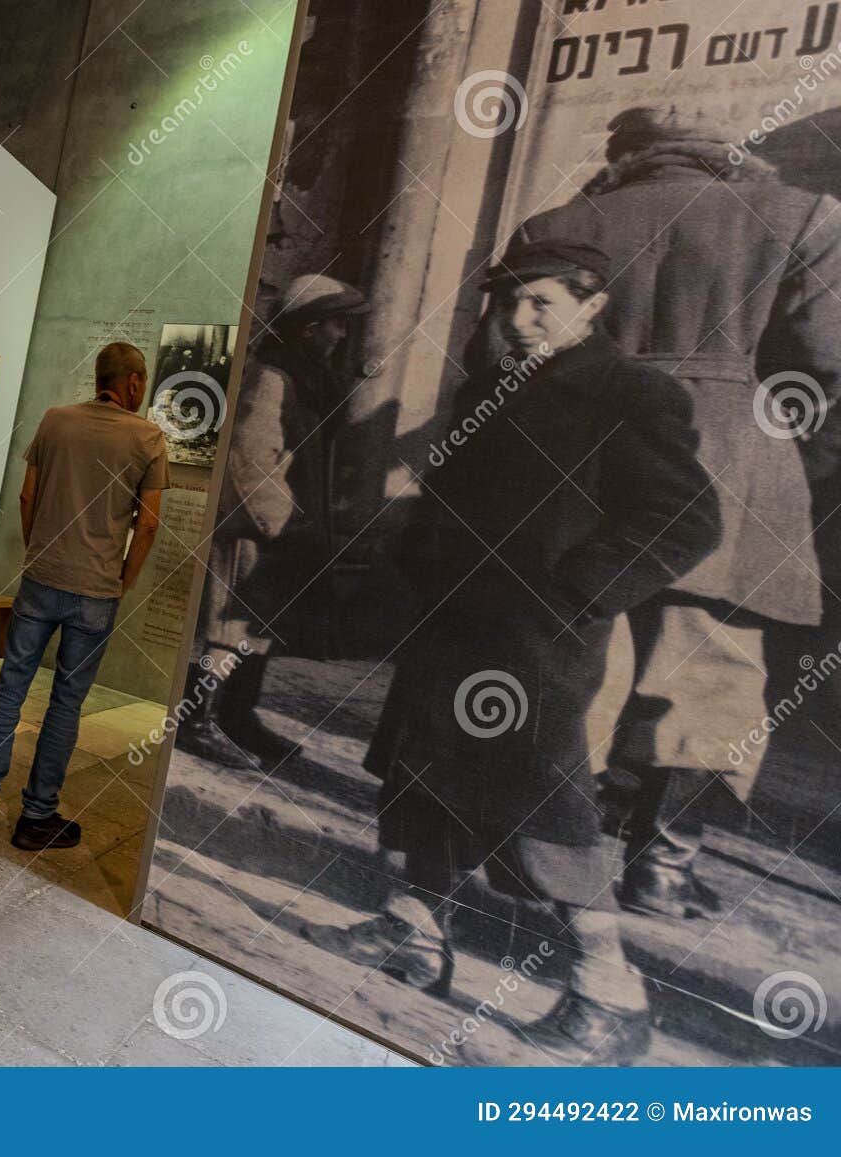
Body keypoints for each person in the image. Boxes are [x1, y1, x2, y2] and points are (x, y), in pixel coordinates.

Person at [325, 239, 722, 1064]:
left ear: (592, 301)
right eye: (509, 304)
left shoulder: (630, 391)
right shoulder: (498, 386)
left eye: (540, 302)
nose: (519, 318)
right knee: (422, 770)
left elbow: (685, 521)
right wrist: (414, 565)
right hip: (455, 619)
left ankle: (609, 992)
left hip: (536, 634)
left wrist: (576, 590)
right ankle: (411, 932)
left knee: (542, 798)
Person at [513, 105, 841, 919]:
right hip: (734, 466)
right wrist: (784, 447)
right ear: (726, 153)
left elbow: (503, 356)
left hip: (581, 467)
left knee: (581, 662)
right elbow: (827, 362)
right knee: (713, 675)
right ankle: (663, 869)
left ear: (626, 154)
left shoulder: (555, 224)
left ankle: (553, 861)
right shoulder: (807, 215)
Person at [0, 342, 168, 850]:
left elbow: (27, 495)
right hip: (96, 591)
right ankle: (36, 818)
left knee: (10, 688)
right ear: (133, 383)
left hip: (42, 579)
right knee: (66, 704)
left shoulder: (55, 421)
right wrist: (121, 582)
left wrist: (38, 552)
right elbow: (150, 523)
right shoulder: (149, 437)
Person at [178, 275, 367, 770]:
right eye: (335, 325)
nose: (342, 336)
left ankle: (238, 715)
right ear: (308, 329)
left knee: (257, 624)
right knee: (230, 623)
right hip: (255, 529)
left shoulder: (309, 378)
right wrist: (279, 525)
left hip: (287, 529)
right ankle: (197, 720)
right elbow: (250, 459)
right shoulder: (273, 378)